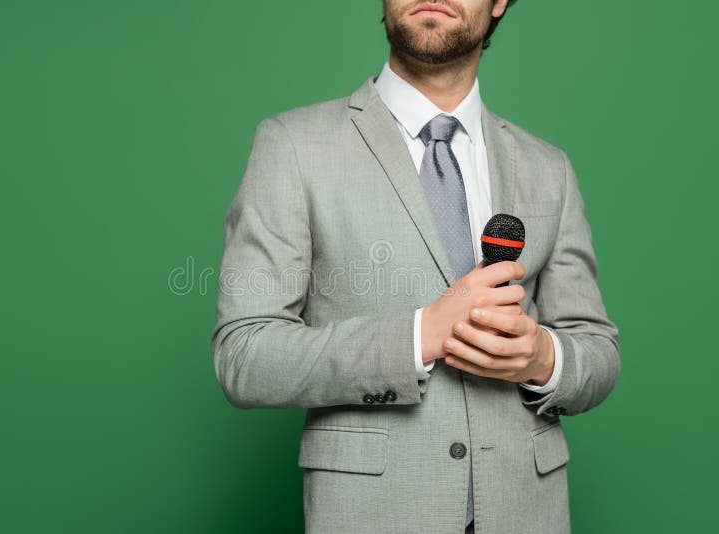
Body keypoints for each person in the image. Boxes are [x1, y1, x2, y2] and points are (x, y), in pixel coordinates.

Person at [211, 1, 621, 532]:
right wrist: (419, 335)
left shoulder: (548, 168)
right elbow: (244, 355)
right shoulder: (292, 146)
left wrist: (542, 357)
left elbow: (598, 350)